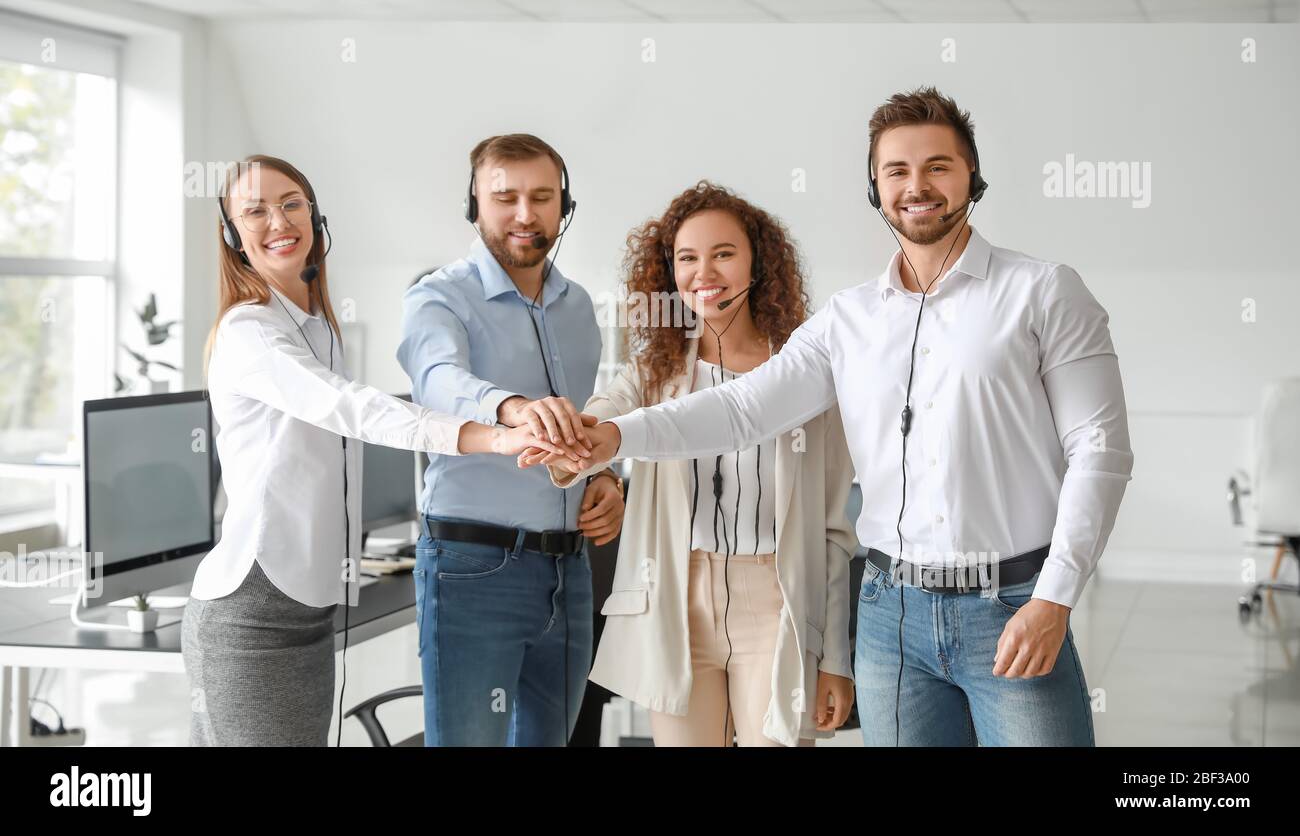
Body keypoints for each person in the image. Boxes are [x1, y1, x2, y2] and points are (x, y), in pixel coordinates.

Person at [536, 88, 1135, 746]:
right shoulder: (849, 320)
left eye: (938, 166)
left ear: (973, 176)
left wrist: (1056, 596)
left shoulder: (1044, 291)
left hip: (1011, 601)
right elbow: (743, 408)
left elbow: (1099, 450)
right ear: (875, 188)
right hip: (891, 615)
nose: (917, 186)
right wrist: (616, 436)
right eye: (897, 171)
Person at [182, 155, 573, 747]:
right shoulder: (249, 332)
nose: (279, 221)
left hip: (308, 614)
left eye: (291, 204)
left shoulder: (315, 326)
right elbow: (354, 408)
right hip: (252, 616)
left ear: (315, 217)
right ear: (234, 237)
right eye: (255, 211)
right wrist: (494, 435)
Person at [526, 182, 856, 746]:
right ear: (669, 273)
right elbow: (602, 421)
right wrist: (584, 456)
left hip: (775, 602)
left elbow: (832, 529)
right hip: (677, 602)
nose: (705, 271)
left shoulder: (806, 377)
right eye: (687, 258)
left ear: (758, 261)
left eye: (724, 253)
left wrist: (837, 659)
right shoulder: (654, 371)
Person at [397, 133, 620, 746]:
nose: (525, 214)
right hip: (473, 569)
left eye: (542, 197)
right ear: (474, 205)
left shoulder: (578, 309)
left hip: (570, 568)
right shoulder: (439, 297)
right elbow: (438, 380)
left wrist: (601, 479)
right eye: (506, 198)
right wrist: (510, 406)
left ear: (564, 206)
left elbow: (582, 427)